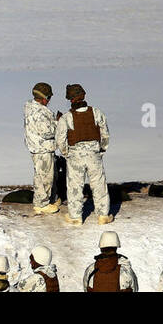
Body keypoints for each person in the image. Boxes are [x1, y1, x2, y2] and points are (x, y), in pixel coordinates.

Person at [55, 84, 111, 225]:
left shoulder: (66, 117)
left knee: (75, 186)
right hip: (94, 154)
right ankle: (103, 216)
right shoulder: (97, 112)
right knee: (99, 184)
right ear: (83, 96)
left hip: (75, 155)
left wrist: (67, 153)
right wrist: (101, 150)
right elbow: (105, 134)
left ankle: (75, 217)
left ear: (70, 100)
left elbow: (60, 140)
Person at [25, 82, 61, 215]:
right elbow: (47, 132)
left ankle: (49, 199)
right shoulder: (38, 112)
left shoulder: (35, 109)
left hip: (42, 147)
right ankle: (41, 204)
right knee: (44, 177)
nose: (49, 101)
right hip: (42, 149)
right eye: (49, 98)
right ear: (44, 97)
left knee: (48, 175)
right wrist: (58, 123)